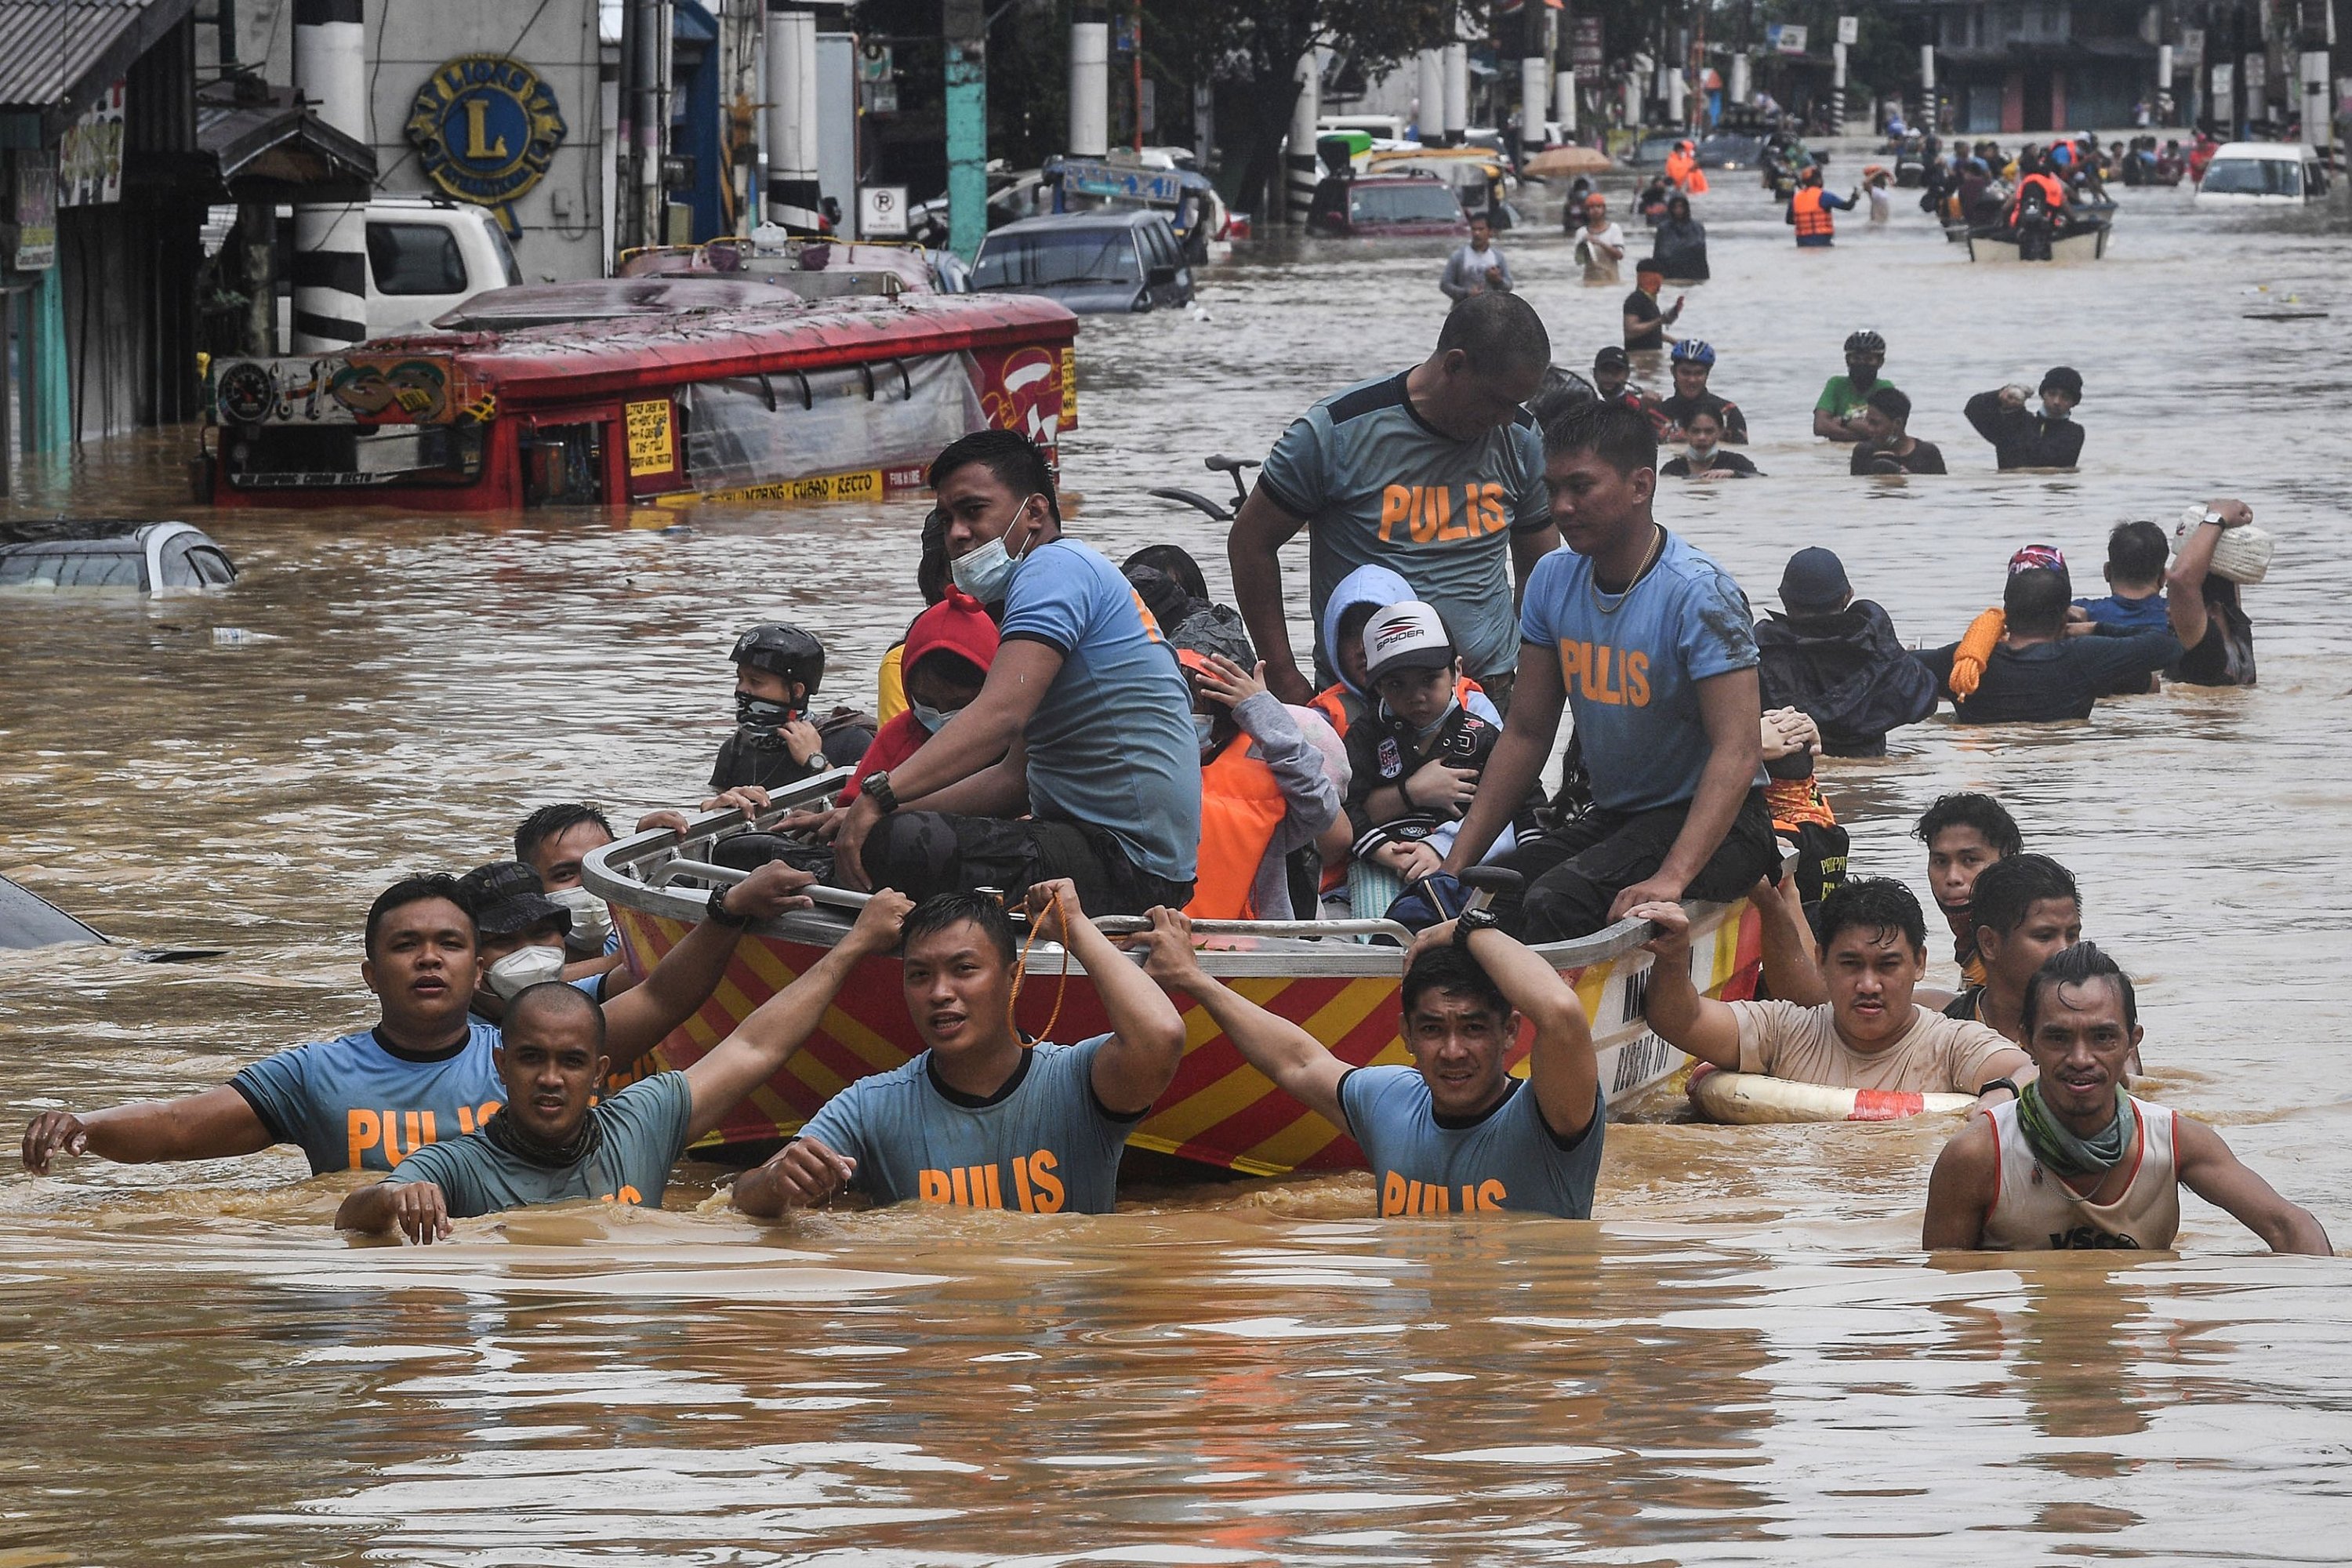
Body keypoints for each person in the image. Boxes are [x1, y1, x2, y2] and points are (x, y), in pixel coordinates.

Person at [19, 864, 815, 1178]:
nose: (428, 959)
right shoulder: (315, 1073)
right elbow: (178, 1125)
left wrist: (726, 910)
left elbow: (667, 1001)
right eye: (405, 945)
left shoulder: (537, 1056)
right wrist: (84, 1125)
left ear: (480, 969)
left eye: (448, 944)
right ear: (372, 973)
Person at [334, 894, 916, 1237]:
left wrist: (853, 945)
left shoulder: (643, 1119)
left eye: (572, 1062)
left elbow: (754, 1047)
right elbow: (350, 1217)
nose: (552, 1079)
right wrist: (387, 1202)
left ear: (600, 1072)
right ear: (502, 1066)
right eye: (532, 1060)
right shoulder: (457, 1165)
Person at [1439, 400, 1778, 942]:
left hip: (1725, 826)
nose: (1562, 507)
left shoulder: (1699, 592)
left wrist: (1672, 878)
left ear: (1641, 486)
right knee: (1497, 890)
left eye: (1581, 488)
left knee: (1555, 901)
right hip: (1619, 816)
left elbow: (1737, 752)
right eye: (1552, 490)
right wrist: (1453, 867)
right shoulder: (1552, 579)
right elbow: (1527, 733)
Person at [831, 434, 1198, 916]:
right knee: (880, 832)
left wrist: (878, 798)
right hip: (1106, 853)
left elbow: (1000, 715)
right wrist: (875, 812)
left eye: (973, 511)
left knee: (904, 844)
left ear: (1035, 513)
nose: (958, 533)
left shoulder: (1053, 568)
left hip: (1127, 864)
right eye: (947, 519)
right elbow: (1013, 779)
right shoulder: (1047, 583)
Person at [730, 881, 1187, 1214]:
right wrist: (777, 1182)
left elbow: (1161, 1036)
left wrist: (1077, 928)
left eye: (964, 969)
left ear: (1014, 978)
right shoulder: (872, 1105)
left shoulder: (1079, 1080)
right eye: (920, 975)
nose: (940, 993)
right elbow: (739, 1199)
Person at [1131, 903, 1604, 1217]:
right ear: (1407, 1035)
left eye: (1474, 1029)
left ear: (1511, 1032)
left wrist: (1468, 929)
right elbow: (1298, 1062)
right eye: (1433, 1029)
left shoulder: (1552, 1114)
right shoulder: (1390, 1102)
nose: (1453, 1051)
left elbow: (1561, 1011)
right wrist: (1194, 978)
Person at [1229, 293, 1559, 715]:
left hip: (1486, 697)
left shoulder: (1522, 441)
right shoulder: (1335, 433)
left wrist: (1533, 673)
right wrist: (1282, 675)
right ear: (1454, 365)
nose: (1508, 418)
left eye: (1519, 404)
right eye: (1499, 401)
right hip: (1366, 702)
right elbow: (1249, 544)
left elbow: (1543, 565)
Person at [1923, 943, 2332, 1254]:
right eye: (2058, 1037)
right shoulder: (1977, 1155)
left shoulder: (2176, 1142)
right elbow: (1948, 1295)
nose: (2081, 1059)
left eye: (2103, 1037)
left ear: (2130, 1043)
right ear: (2026, 1041)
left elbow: (2290, 1228)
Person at [1636, 877, 2031, 1101]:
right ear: (1821, 960)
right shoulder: (1784, 1030)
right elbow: (1681, 1020)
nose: (1869, 985)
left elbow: (2030, 1071)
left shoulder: (1952, 1044)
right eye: (1850, 964)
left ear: (1921, 964)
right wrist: (1673, 957)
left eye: (1888, 965)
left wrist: (1998, 1097)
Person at [1341, 601, 1533, 891]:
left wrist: (1534, 864)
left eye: (1429, 680)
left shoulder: (1482, 735)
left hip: (1467, 861)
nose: (1416, 696)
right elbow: (1345, 808)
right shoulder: (1364, 737)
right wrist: (1391, 857)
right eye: (1396, 685)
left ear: (1456, 671)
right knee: (1379, 929)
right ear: (1377, 687)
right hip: (1382, 860)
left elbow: (1525, 800)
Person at [1170, 610, 1341, 921]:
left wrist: (1261, 709)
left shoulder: (1271, 769)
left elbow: (1321, 808)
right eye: (1176, 697)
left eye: (1200, 699)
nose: (1187, 712)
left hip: (1256, 943)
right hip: (1164, 936)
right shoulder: (1143, 765)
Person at [1916, 547, 2191, 724]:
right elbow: (2169, 645)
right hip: (2058, 780)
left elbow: (1892, 662)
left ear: (2005, 615)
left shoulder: (1964, 663)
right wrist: (2095, 627)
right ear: (2065, 616)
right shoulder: (2084, 657)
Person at [1752, 546, 1937, 756]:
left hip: (1797, 773)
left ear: (1783, 598)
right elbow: (1924, 699)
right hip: (1873, 773)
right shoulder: (1880, 652)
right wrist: (1895, 654)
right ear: (1848, 596)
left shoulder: (1761, 653)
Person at [709, 625, 874, 795]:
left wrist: (815, 761)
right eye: (740, 679)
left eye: (756, 682)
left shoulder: (849, 741)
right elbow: (716, 810)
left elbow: (864, 809)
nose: (742, 690)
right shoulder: (734, 750)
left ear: (796, 691)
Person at [1942, 854, 2082, 1043]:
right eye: (2044, 937)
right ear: (1989, 943)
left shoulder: (2097, 1027)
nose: (2065, 950)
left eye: (2072, 936)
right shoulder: (1945, 1034)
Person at [1914, 792, 2021, 991]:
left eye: (1970, 860)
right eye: (1940, 861)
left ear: (2007, 860)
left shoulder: (2015, 954)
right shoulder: (1973, 946)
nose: (1953, 877)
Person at [2165, 498, 2261, 688]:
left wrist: (2217, 517)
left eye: (2175, 603)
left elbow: (2181, 580)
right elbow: (2228, 576)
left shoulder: (2206, 649)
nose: (2169, 610)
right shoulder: (2239, 632)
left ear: (2212, 611)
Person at [1965, 368, 2084, 470]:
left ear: (2073, 403)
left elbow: (2041, 460)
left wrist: (2014, 414)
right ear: (2043, 395)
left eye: (2065, 397)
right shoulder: (2015, 420)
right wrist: (2000, 396)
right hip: (2009, 492)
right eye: (2052, 394)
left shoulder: (2074, 433)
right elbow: (1973, 409)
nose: (2057, 402)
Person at [1656, 340, 1747, 445]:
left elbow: (1741, 454)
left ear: (1707, 374)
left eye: (1699, 373)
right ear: (1673, 372)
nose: (1692, 380)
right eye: (1685, 373)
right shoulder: (1659, 414)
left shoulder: (1728, 412)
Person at [1812, 330, 1894, 442]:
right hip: (1837, 454)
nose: (1862, 364)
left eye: (1869, 360)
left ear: (1880, 362)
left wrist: (1844, 421)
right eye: (1856, 359)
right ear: (1847, 360)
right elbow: (1820, 426)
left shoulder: (1885, 388)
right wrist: (1863, 433)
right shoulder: (1836, 384)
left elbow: (1885, 430)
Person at [1848, 387, 1946, 475]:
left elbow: (1938, 492)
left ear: (1897, 424)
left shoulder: (1927, 453)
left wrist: (1911, 481)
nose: (1868, 428)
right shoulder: (1863, 452)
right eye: (1868, 422)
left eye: (1875, 423)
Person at [1657, 408, 1759, 480]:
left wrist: (1734, 474)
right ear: (1686, 433)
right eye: (1696, 431)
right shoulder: (1672, 469)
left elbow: (1759, 478)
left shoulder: (1737, 463)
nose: (1702, 437)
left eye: (1709, 431)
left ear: (1720, 432)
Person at [1439, 214, 1513, 300]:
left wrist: (1498, 280)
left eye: (1481, 229)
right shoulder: (1458, 256)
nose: (1476, 233)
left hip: (1491, 310)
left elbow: (1509, 286)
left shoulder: (1498, 257)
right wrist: (1467, 293)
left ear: (1490, 232)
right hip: (1463, 309)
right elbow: (1445, 285)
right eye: (1473, 229)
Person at [1621, 260, 1682, 350]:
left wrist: (1673, 341)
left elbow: (1650, 332)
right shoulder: (1635, 300)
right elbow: (1631, 331)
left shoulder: (1650, 301)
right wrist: (1660, 321)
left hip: (1651, 356)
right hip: (1639, 358)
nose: (1660, 283)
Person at [1787, 168, 1857, 247]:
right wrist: (1854, 197)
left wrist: (1806, 223)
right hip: (1823, 242)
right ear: (1818, 180)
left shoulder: (1795, 198)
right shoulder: (1824, 196)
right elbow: (1848, 206)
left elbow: (1789, 221)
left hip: (1802, 243)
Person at [1650, 192, 1708, 281]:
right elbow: (1659, 253)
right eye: (1675, 207)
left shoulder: (1697, 227)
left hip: (1693, 273)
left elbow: (1700, 251)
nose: (1678, 210)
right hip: (1671, 273)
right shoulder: (1664, 228)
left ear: (1686, 208)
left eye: (1681, 207)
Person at [1571, 195, 1628, 285]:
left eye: (1598, 207)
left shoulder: (1614, 229)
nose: (1595, 210)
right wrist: (1583, 244)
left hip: (1612, 280)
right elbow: (1579, 261)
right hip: (1590, 281)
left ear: (1604, 209)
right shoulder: (1581, 232)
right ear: (1587, 211)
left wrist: (1600, 243)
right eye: (1592, 207)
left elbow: (1620, 255)